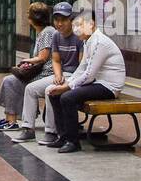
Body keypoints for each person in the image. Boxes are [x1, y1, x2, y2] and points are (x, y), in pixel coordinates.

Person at [46, 11, 127, 153]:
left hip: (109, 86)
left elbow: (89, 75)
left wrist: (67, 87)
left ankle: (73, 142)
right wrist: (67, 83)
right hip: (97, 82)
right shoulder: (88, 41)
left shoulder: (100, 42)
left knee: (67, 97)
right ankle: (63, 137)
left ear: (91, 24)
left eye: (79, 25)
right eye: (75, 25)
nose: (76, 29)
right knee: (54, 94)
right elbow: (82, 67)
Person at [8, 2, 85, 144]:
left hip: (76, 76)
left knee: (51, 90)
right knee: (30, 89)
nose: (60, 24)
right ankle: (28, 129)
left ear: (71, 20)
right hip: (61, 74)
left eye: (64, 20)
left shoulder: (79, 37)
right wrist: (57, 75)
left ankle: (51, 132)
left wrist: (70, 79)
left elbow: (83, 65)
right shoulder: (56, 36)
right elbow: (55, 60)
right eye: (57, 20)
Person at [0, 2, 54, 133]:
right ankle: (9, 118)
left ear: (32, 18)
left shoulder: (47, 32)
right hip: (42, 71)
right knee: (11, 80)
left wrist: (26, 60)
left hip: (46, 73)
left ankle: (11, 121)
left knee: (10, 81)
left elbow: (43, 57)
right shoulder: (43, 32)